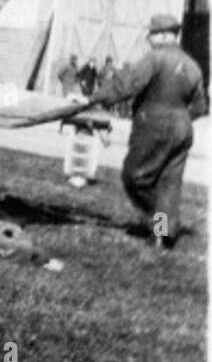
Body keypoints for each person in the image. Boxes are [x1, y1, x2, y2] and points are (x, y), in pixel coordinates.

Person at [88, 14, 207, 249]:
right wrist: (179, 119)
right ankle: (163, 236)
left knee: (135, 178)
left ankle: (160, 220)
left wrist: (98, 97)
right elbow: (201, 106)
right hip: (183, 129)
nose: (149, 39)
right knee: (168, 183)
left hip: (153, 125)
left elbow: (129, 85)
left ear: (162, 35)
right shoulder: (193, 66)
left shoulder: (155, 58)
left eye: (151, 35)